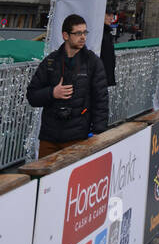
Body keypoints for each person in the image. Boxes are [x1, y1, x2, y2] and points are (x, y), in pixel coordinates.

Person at [26, 14, 109, 158]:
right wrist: (53, 93)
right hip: (49, 137)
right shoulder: (50, 62)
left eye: (84, 33)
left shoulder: (93, 62)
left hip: (78, 137)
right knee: (46, 179)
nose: (83, 37)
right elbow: (32, 96)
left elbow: (101, 100)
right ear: (65, 35)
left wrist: (98, 133)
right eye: (78, 33)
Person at [99, 11, 118, 88]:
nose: (112, 18)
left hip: (104, 76)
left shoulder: (107, 34)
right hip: (100, 77)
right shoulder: (100, 33)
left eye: (113, 16)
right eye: (109, 15)